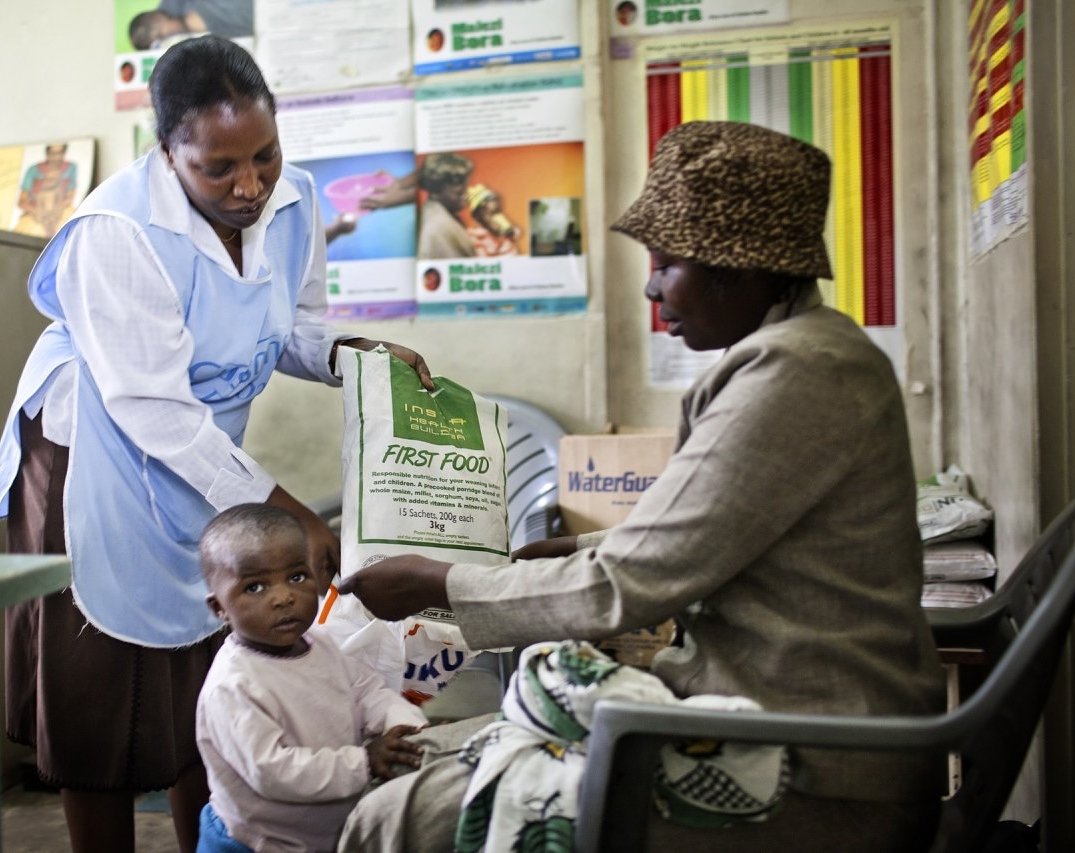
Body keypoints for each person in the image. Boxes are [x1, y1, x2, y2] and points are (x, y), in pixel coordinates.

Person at [336, 121, 947, 853]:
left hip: (809, 770)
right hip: (785, 731)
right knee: (443, 760)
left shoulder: (798, 371)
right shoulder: (814, 351)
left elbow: (632, 583)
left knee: (396, 816)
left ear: (740, 265)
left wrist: (438, 581)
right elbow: (709, 531)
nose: (653, 284)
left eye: (666, 261)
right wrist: (580, 544)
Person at [0, 35, 431, 853]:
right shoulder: (115, 231)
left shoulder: (293, 200)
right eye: (217, 168)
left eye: (264, 155)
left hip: (203, 452)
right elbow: (153, 409)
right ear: (167, 151)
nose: (249, 185)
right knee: (100, 682)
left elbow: (285, 324)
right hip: (96, 454)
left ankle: (218, 842)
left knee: (216, 654)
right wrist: (280, 511)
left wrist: (349, 355)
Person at [195, 504, 428, 853]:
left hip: (323, 835)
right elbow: (272, 771)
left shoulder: (320, 646)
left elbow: (367, 692)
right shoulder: (234, 685)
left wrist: (405, 725)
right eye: (255, 587)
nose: (284, 597)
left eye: (297, 577)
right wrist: (364, 762)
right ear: (219, 609)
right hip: (254, 842)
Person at [416, 152, 476, 260]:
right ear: (436, 186)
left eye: (465, 180)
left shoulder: (438, 214)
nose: (466, 188)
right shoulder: (439, 225)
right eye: (457, 182)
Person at [14, 143, 79, 238]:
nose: (56, 157)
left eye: (59, 153)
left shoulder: (71, 167)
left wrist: (55, 212)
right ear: (47, 153)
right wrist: (39, 213)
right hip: (36, 213)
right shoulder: (33, 170)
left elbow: (69, 197)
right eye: (52, 154)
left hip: (60, 211)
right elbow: (22, 201)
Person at [464, 184, 520, 257]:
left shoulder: (504, 231)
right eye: (492, 214)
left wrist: (509, 234)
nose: (498, 217)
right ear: (478, 217)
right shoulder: (474, 237)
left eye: (498, 212)